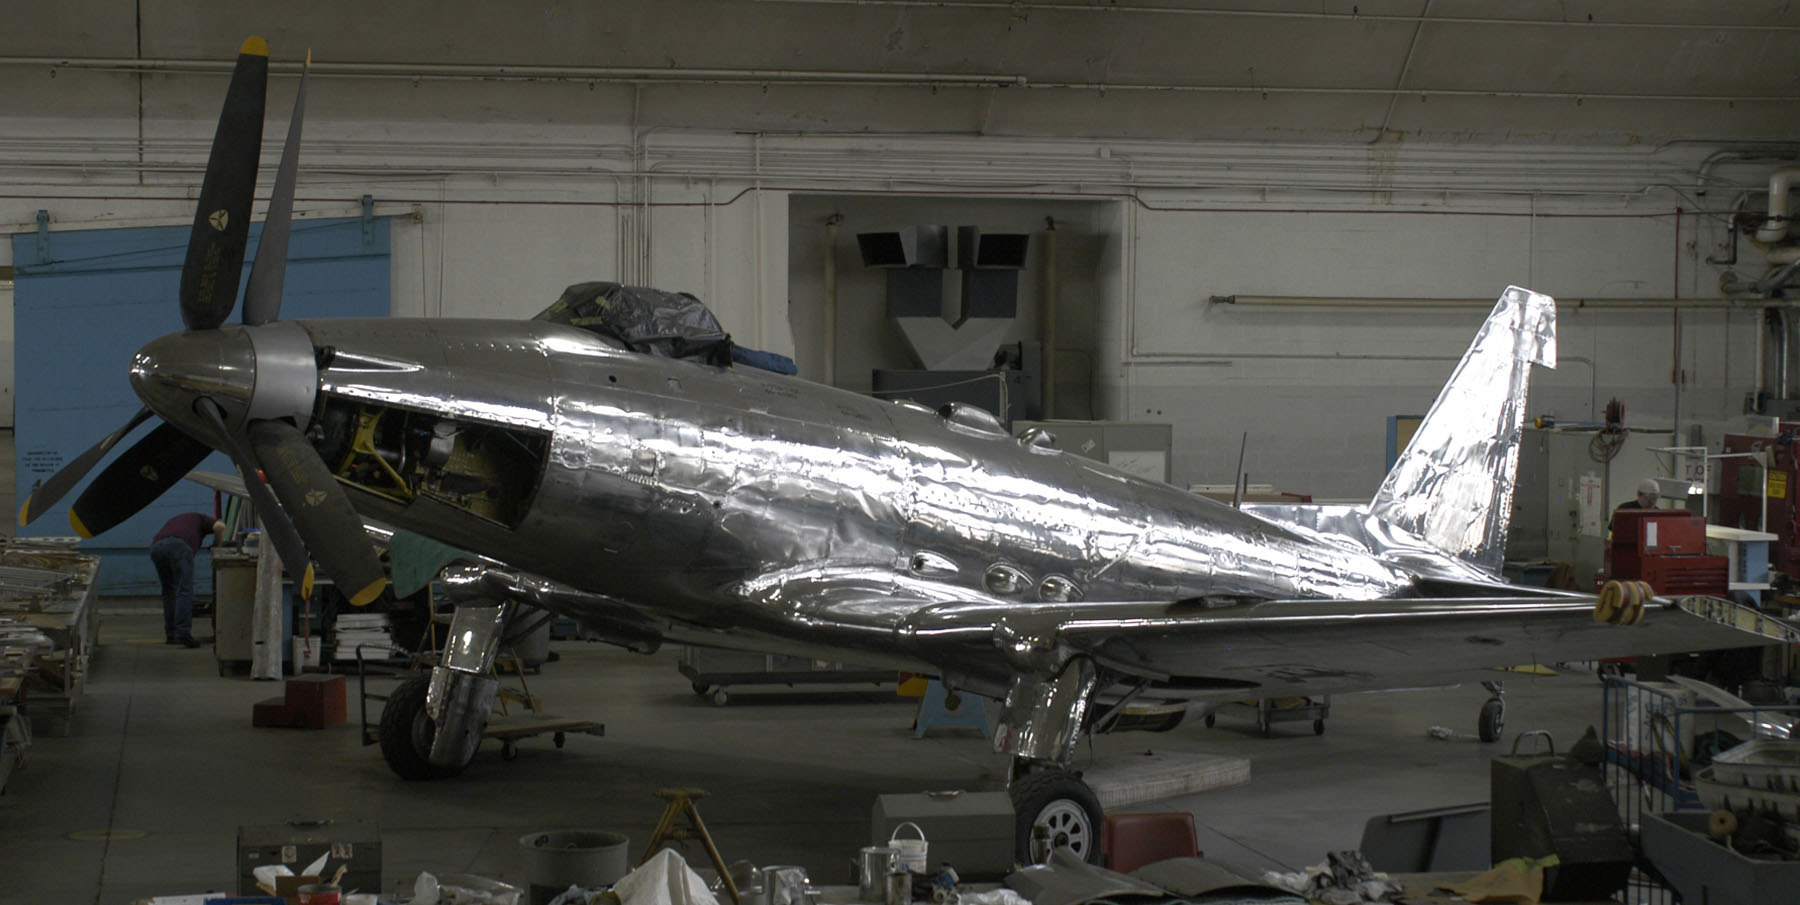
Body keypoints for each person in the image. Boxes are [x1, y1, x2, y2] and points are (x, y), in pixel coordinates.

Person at [150, 512, 226, 648]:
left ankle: (171, 634)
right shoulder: (203, 519)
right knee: (184, 590)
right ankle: (183, 633)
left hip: (157, 547)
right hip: (179, 546)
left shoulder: (182, 519)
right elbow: (220, 527)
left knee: (169, 592)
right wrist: (217, 545)